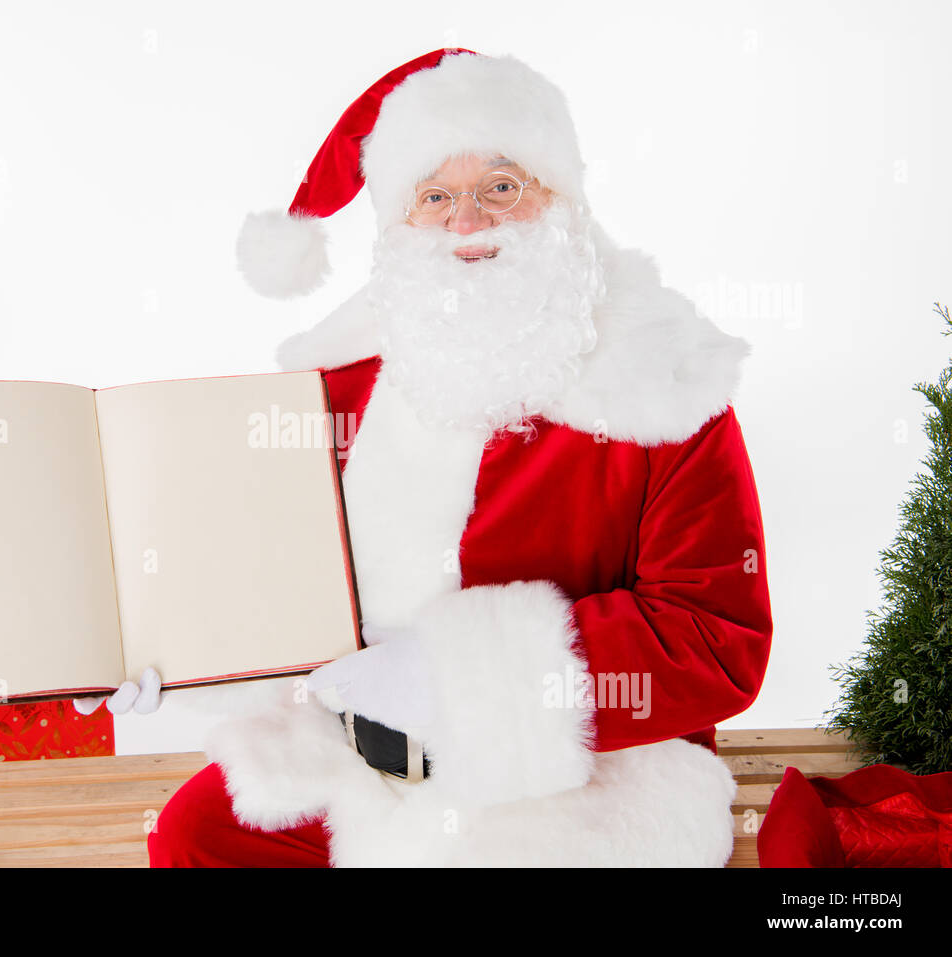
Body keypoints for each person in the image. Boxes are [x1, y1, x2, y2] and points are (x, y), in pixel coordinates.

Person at [92, 48, 774, 866]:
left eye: (502, 186)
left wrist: (454, 679)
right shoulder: (336, 391)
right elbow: (269, 581)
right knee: (198, 836)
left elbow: (713, 636)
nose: (468, 221)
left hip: (580, 773)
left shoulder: (663, 384)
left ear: (563, 202)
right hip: (356, 753)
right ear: (398, 225)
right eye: (435, 196)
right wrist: (176, 655)